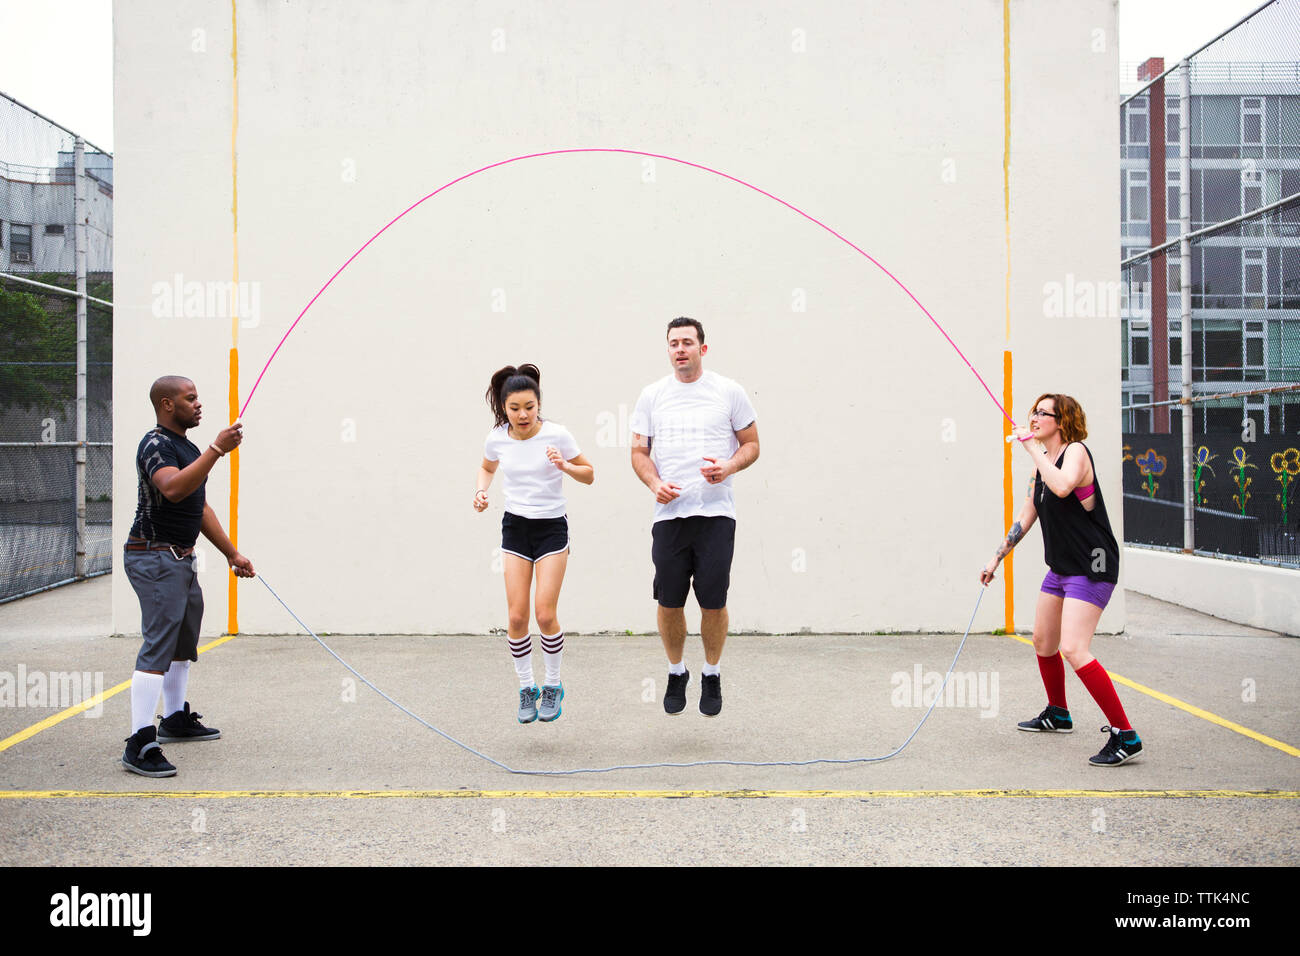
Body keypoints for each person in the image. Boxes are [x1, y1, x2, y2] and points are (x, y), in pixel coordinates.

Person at [980, 393, 1143, 766]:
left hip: (1093, 565)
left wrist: (1030, 449)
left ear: (1062, 420)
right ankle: (1058, 713)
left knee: (1074, 648)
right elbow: (1025, 517)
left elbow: (1063, 487)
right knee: (1043, 640)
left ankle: (1126, 734)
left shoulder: (1076, 453)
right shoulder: (1040, 467)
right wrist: (996, 558)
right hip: (1062, 568)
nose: (1034, 418)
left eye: (1043, 413)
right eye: (1033, 412)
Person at [121, 376, 255, 778]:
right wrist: (217, 449)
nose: (198, 404)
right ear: (167, 404)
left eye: (198, 397)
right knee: (158, 647)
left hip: (180, 558)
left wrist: (232, 554)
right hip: (154, 556)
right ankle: (139, 743)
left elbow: (197, 507)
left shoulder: (187, 448)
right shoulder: (155, 445)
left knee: (183, 641)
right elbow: (173, 489)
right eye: (189, 398)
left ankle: (175, 719)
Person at [630, 317, 759, 717]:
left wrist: (729, 466)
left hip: (716, 514)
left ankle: (712, 673)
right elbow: (638, 453)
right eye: (673, 343)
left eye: (687, 342)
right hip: (669, 515)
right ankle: (676, 671)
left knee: (713, 601)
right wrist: (654, 484)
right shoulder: (652, 396)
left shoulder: (728, 391)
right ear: (667, 350)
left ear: (702, 349)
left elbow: (751, 444)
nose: (680, 349)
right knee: (669, 601)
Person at [475, 364, 593, 723]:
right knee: (516, 616)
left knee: (544, 613)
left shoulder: (557, 435)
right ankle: (527, 687)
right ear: (503, 407)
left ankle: (553, 685)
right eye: (515, 408)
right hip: (516, 529)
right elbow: (487, 467)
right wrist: (481, 491)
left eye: (529, 406)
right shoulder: (497, 437)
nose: (523, 414)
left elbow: (589, 474)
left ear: (539, 403)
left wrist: (565, 467)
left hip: (551, 528)